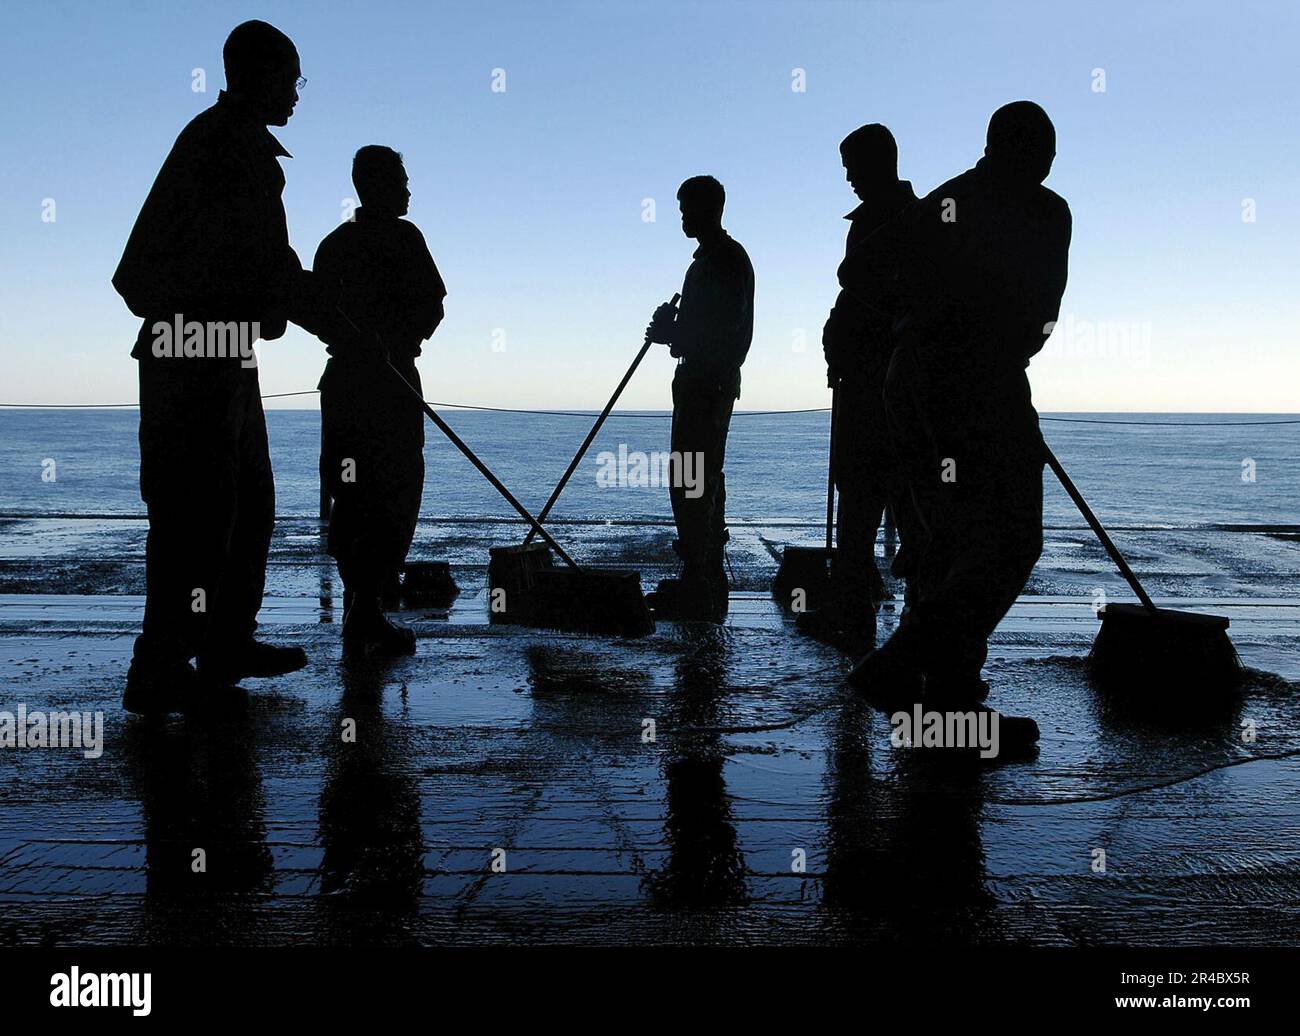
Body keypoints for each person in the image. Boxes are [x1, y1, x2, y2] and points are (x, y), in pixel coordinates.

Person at [113, 20, 337, 714]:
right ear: (257, 74)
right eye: (291, 78)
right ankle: (160, 665)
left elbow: (263, 272)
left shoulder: (228, 143)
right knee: (197, 514)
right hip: (197, 354)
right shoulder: (228, 147)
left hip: (221, 351)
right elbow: (268, 266)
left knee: (245, 506)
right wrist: (348, 331)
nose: (297, 94)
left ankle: (222, 641)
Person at [848, 101, 1072, 750]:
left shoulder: (950, 201)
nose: (1050, 161)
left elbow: (865, 270)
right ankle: (900, 667)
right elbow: (1036, 315)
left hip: (922, 377)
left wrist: (911, 320)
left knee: (945, 540)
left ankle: (945, 711)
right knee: (1011, 538)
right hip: (970, 380)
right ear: (1013, 148)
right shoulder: (1042, 210)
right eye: (1042, 147)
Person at [313, 146, 447, 656]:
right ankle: (364, 610)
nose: (408, 189)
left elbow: (430, 308)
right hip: (373, 383)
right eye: (402, 180)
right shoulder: (396, 239)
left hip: (368, 378)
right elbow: (430, 307)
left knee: (370, 492)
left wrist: (389, 341)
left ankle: (364, 607)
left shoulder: (338, 244)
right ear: (378, 184)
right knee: (384, 491)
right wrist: (382, 341)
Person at [797, 124, 917, 654]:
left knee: (874, 491)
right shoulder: (890, 217)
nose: (847, 177)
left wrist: (846, 341)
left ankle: (860, 610)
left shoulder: (896, 222)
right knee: (872, 492)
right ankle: (866, 604)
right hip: (865, 376)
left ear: (878, 162)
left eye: (853, 166)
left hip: (877, 383)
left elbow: (877, 296)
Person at [645, 176, 754, 621]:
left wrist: (672, 332)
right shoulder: (712, 261)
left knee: (693, 479)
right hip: (702, 383)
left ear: (710, 209)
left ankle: (700, 579)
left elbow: (717, 332)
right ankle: (704, 573)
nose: (682, 217)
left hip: (707, 385)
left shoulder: (722, 261)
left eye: (687, 208)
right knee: (700, 477)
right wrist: (674, 330)